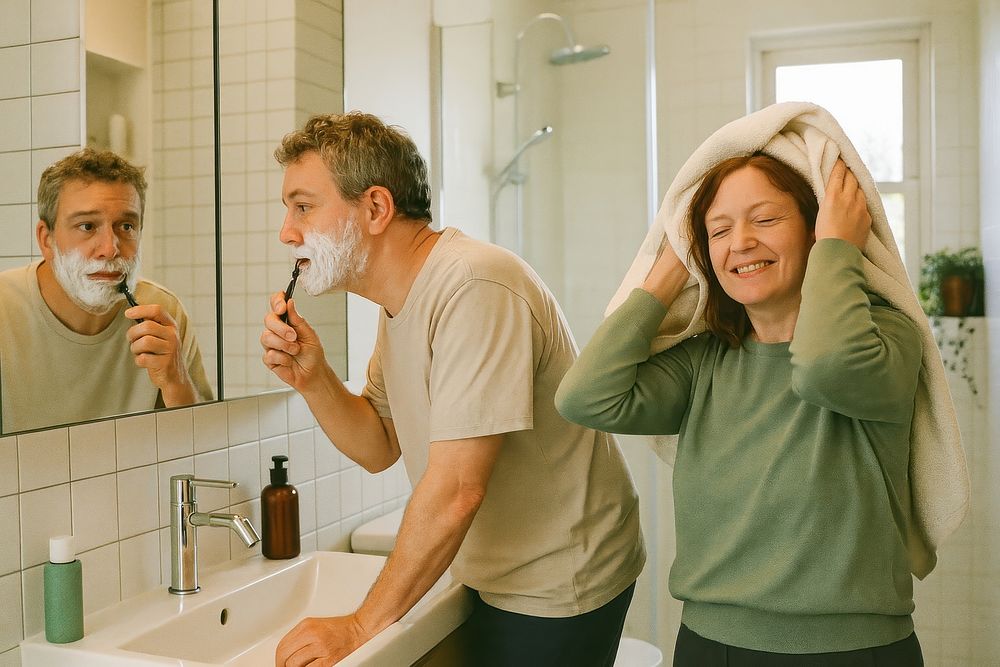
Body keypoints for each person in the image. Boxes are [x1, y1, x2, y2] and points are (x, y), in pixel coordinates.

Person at [260, 111, 645, 666]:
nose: (286, 231)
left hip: (560, 580)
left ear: (374, 208)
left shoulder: (473, 285)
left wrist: (362, 623)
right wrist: (312, 377)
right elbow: (378, 447)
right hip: (490, 572)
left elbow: (458, 488)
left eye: (303, 206)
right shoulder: (398, 302)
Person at [556, 154, 925, 665]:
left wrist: (838, 247)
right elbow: (584, 397)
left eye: (766, 219)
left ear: (816, 228)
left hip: (854, 646)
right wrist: (666, 271)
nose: (741, 241)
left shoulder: (885, 338)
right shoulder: (705, 362)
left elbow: (823, 368)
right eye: (718, 230)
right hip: (712, 644)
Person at [0, 148, 212, 434]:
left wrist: (177, 382)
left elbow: (202, 443)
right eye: (87, 226)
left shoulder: (163, 312)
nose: (110, 248)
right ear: (46, 239)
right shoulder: (4, 308)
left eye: (126, 226)